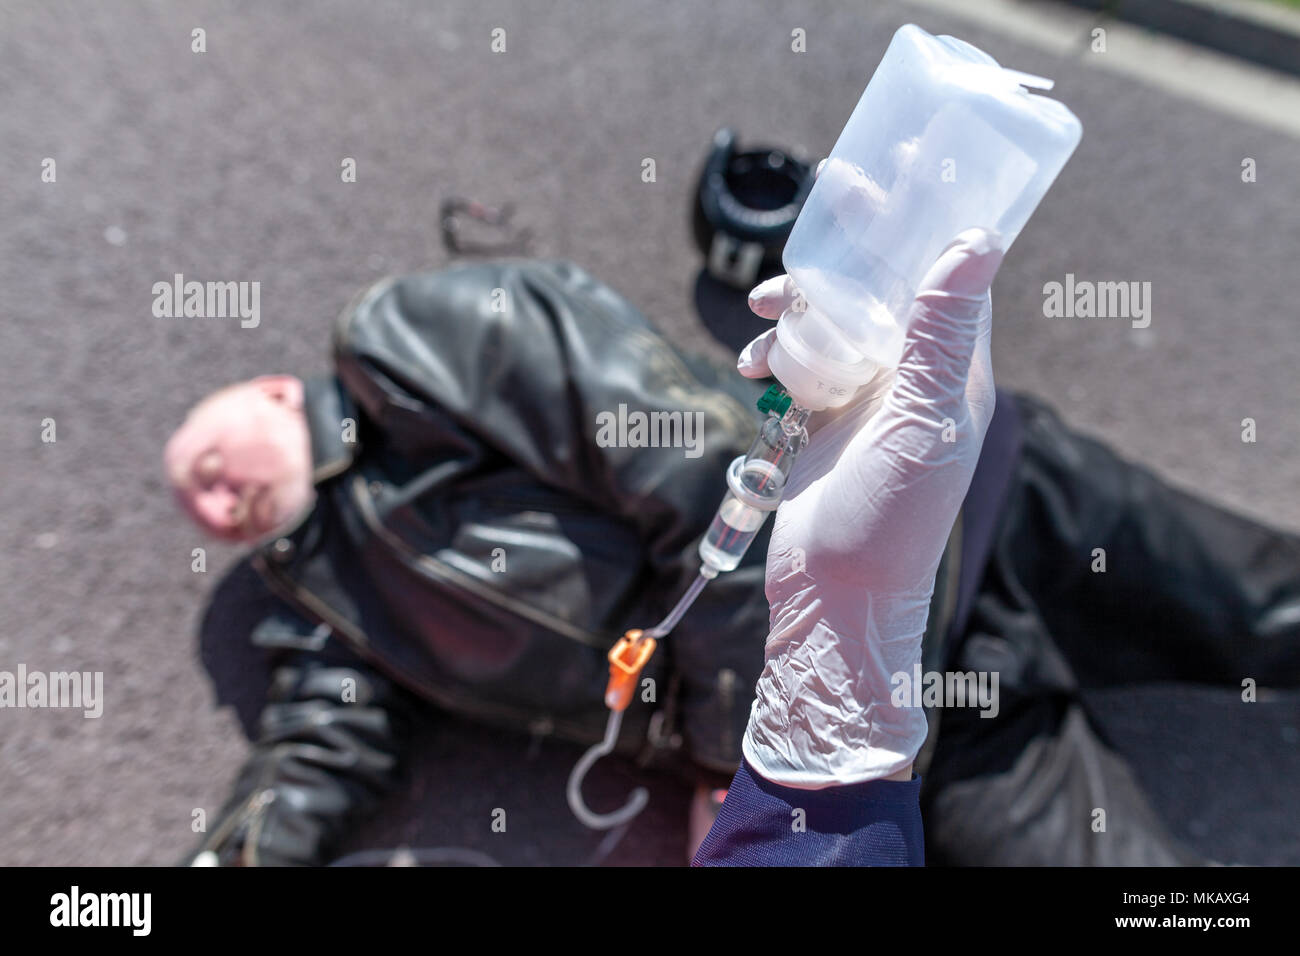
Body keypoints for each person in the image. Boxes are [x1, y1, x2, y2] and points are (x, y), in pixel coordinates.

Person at [168, 248, 1300, 867]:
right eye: (201, 511)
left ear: (270, 392)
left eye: (206, 461)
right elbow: (312, 759)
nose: (209, 499)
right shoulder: (325, 608)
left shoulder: (405, 347)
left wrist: (729, 770)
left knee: (1268, 609)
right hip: (907, 732)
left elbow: (705, 472)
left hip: (974, 516)